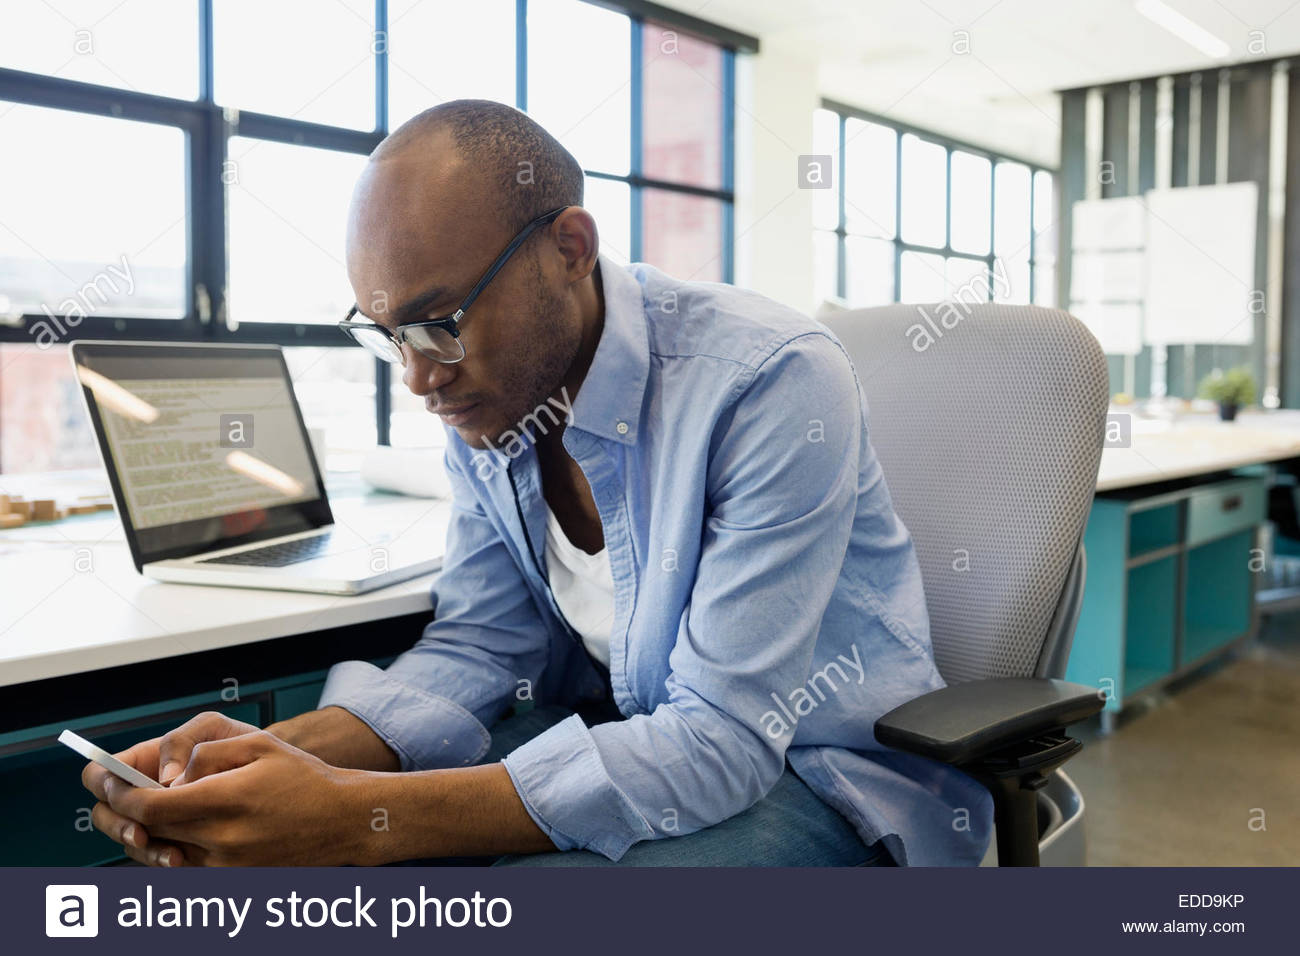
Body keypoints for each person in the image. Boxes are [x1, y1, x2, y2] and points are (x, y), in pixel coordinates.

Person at [82, 99, 992, 867]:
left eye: (440, 322)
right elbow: (483, 646)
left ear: (570, 247)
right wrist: (274, 757)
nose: (418, 375)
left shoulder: (769, 381)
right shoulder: (483, 400)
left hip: (817, 771)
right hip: (631, 730)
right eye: (389, 332)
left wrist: (358, 817)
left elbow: (719, 743)